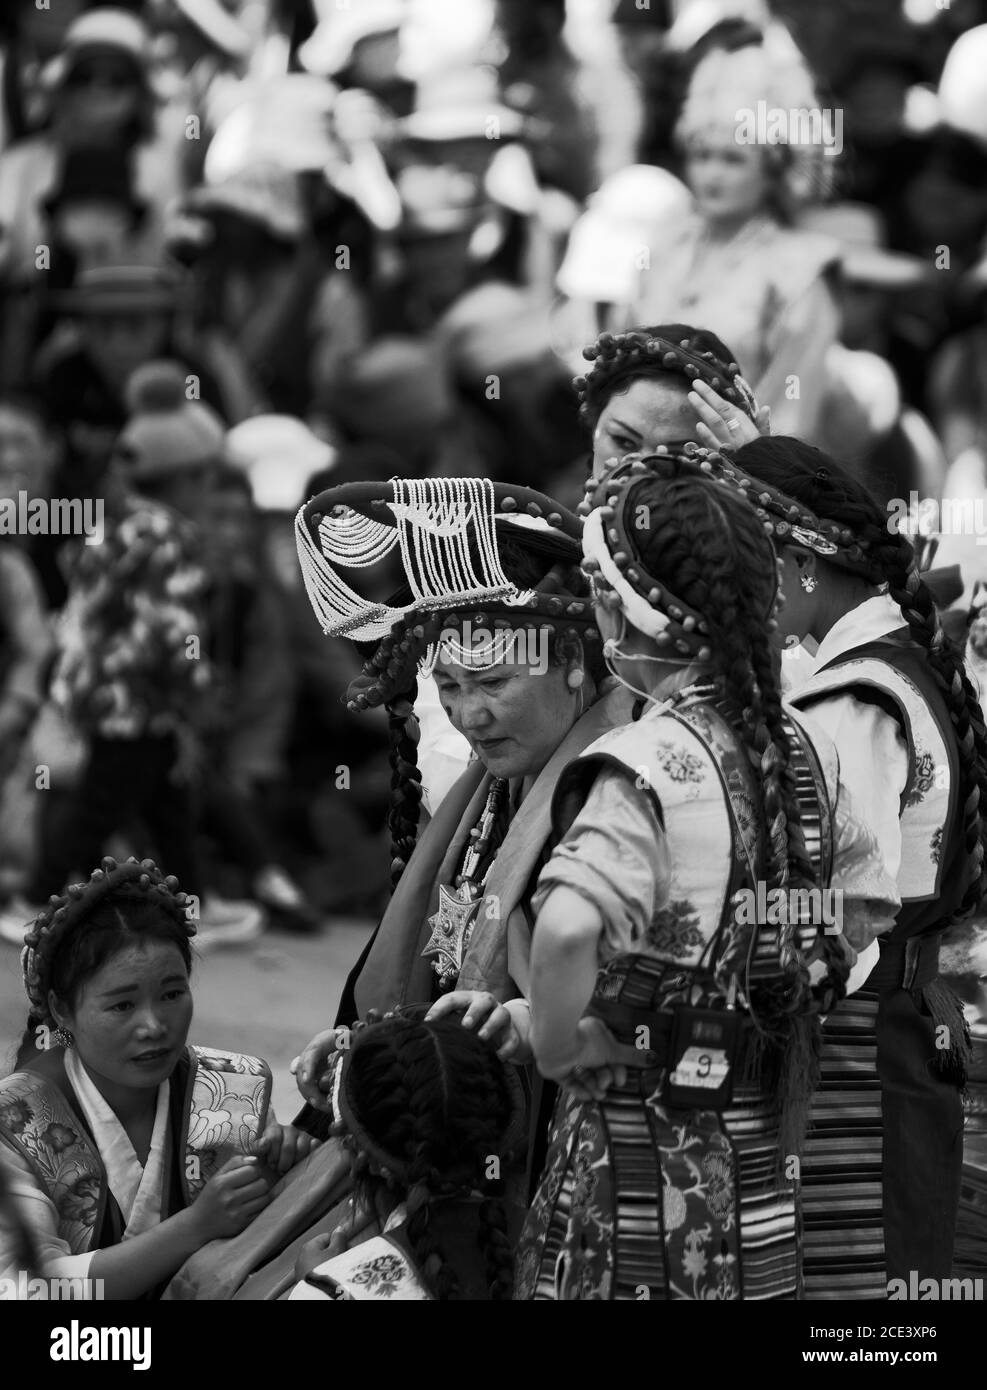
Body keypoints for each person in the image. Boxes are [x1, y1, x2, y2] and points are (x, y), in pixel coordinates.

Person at [160, 477, 634, 1299]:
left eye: (491, 684)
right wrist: (363, 1056)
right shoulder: (485, 794)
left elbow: (632, 1001)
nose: (470, 715)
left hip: (547, 1152)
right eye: (450, 688)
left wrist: (508, 1026)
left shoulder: (616, 791)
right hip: (444, 1126)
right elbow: (431, 976)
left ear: (571, 665)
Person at [516, 451, 900, 1301]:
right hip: (757, 1157)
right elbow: (857, 916)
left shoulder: (644, 762)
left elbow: (569, 926)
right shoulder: (806, 749)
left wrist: (559, 1041)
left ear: (622, 611)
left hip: (632, 1155)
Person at [728, 434, 987, 1296]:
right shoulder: (897, 668)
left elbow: (847, 916)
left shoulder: (850, 699)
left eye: (741, 565)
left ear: (799, 563)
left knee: (857, 1290)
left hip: (853, 1042)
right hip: (900, 1019)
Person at [0, 856, 317, 1298]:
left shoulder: (232, 1092)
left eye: (171, 994)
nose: (154, 1025)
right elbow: (24, 1287)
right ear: (60, 1010)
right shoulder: (15, 1121)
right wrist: (196, 1226)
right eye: (122, 1005)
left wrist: (288, 1171)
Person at [631, 38, 840, 442]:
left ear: (771, 171)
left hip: (740, 479)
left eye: (732, 159)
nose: (712, 174)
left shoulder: (798, 269)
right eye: (702, 155)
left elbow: (790, 419)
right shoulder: (665, 246)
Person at [286, 1009, 523, 1300]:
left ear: (365, 1157)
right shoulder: (566, 1235)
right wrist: (343, 1040)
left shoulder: (332, 1288)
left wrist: (317, 1284)